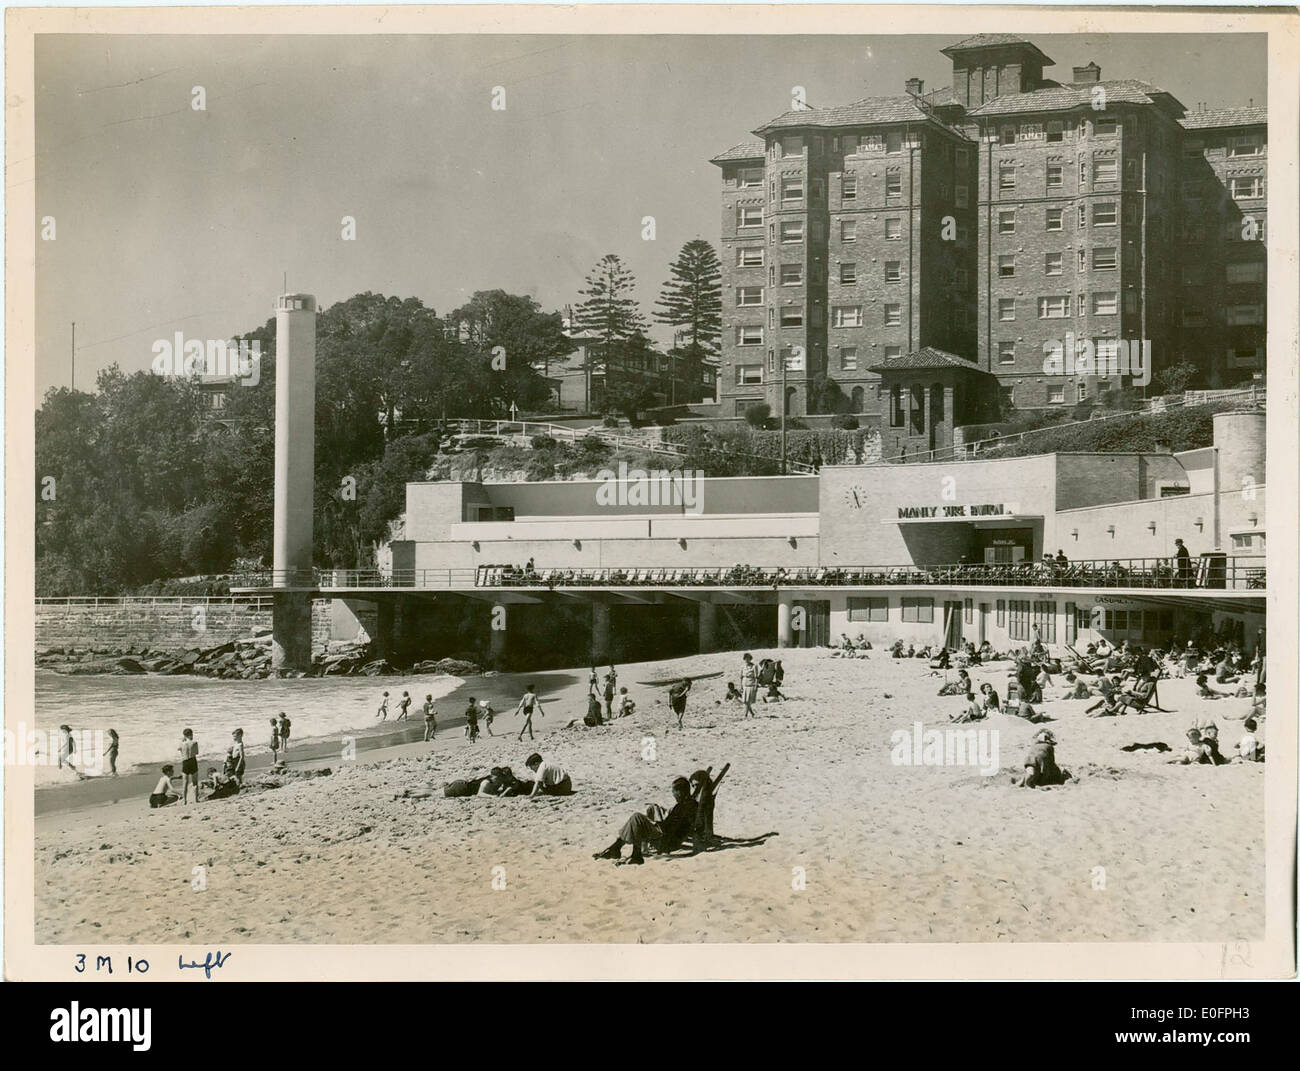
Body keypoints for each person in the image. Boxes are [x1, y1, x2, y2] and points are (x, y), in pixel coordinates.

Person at [593, 776, 696, 864]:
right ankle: (618, 849)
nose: (673, 795)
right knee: (650, 810)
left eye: (674, 792)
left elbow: (672, 828)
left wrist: (657, 824)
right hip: (667, 835)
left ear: (679, 792)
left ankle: (632, 853)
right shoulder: (689, 804)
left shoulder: (683, 806)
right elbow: (677, 824)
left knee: (636, 818)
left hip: (665, 840)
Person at [179, 728, 200, 804]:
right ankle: (196, 799)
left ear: (184, 735)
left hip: (185, 762)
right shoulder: (194, 742)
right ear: (191, 734)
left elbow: (179, 750)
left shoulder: (182, 744)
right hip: (193, 761)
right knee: (195, 782)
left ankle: (184, 800)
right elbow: (196, 752)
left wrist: (182, 741)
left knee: (185, 782)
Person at [740, 653, 759, 718]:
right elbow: (741, 677)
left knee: (748, 701)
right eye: (745, 659)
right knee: (745, 701)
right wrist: (741, 686)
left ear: (750, 659)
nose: (746, 660)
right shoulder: (742, 667)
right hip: (744, 685)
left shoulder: (754, 666)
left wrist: (756, 686)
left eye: (748, 658)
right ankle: (752, 713)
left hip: (751, 684)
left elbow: (756, 677)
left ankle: (745, 715)